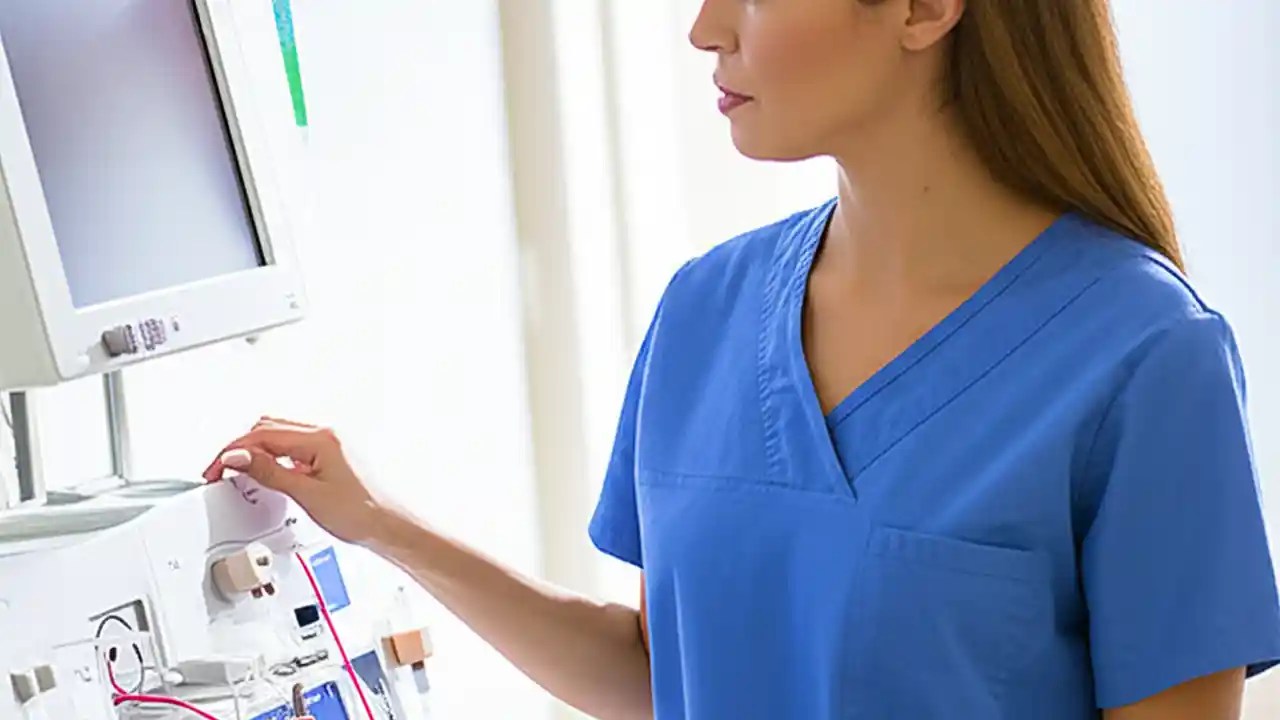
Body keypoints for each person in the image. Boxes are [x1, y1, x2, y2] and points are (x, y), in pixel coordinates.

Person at [204, 1, 1280, 718]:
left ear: (922, 8)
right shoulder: (705, 310)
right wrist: (380, 525)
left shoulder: (1141, 356)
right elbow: (659, 675)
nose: (703, 27)